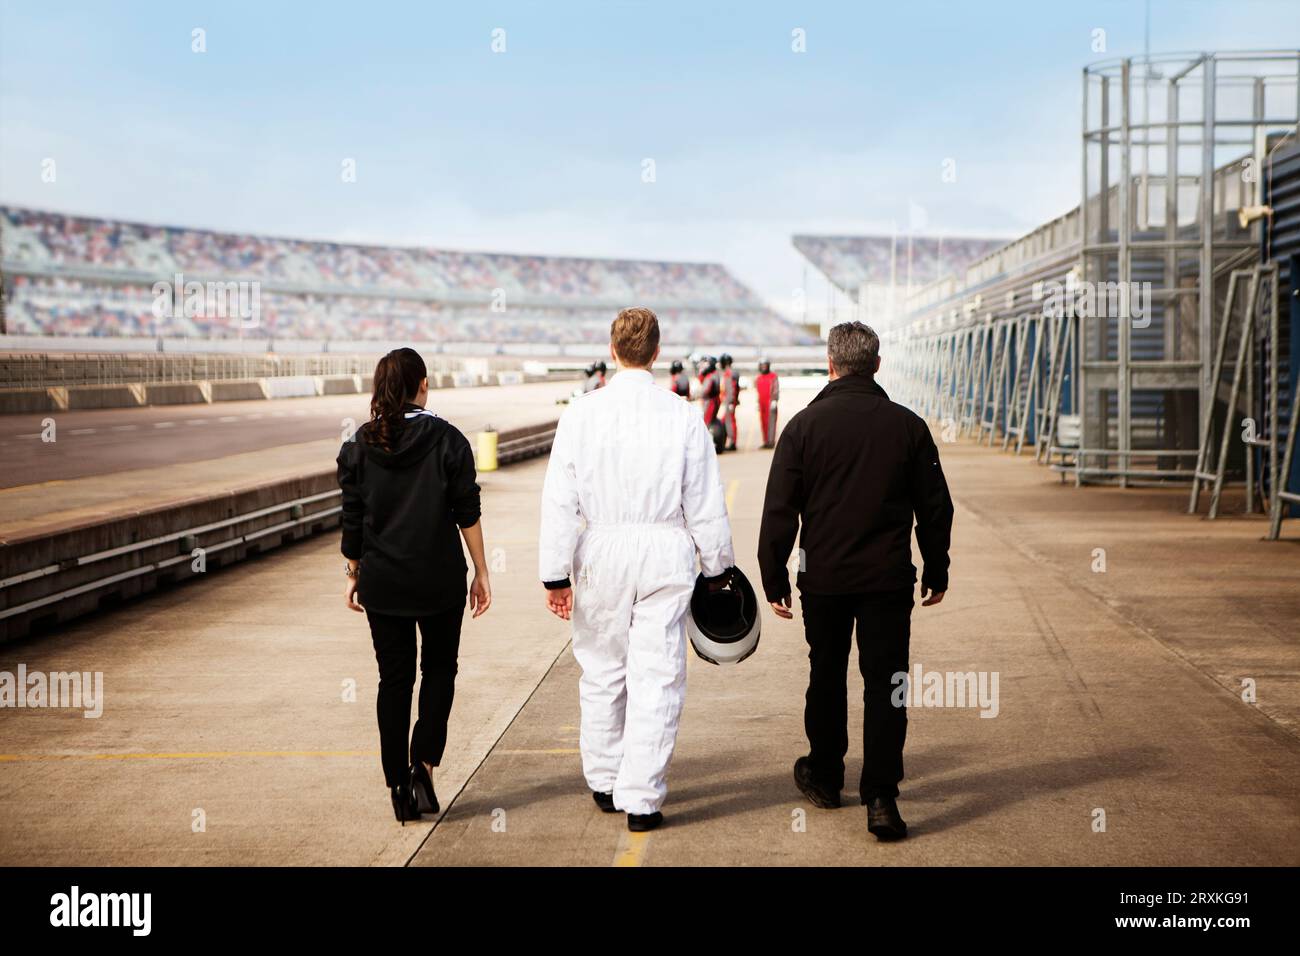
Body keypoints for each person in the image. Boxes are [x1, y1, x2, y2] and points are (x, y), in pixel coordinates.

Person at [539, 307, 735, 833]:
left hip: (600, 548)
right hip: (663, 551)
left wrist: (554, 574)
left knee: (602, 668)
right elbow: (705, 501)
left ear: (613, 350)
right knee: (658, 674)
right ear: (655, 352)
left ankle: (604, 779)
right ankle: (642, 798)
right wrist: (718, 567)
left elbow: (560, 499)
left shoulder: (581, 413)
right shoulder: (682, 415)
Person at [756, 321, 953, 842]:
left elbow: (779, 510)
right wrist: (937, 568)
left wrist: (773, 576)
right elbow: (935, 508)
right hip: (887, 579)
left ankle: (824, 776)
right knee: (887, 684)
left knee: (826, 676)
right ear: (877, 365)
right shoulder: (908, 427)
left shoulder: (802, 428)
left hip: (825, 580)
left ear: (830, 364)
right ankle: (882, 797)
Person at [337, 347, 493, 824]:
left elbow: (353, 522)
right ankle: (423, 762)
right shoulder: (449, 440)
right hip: (439, 579)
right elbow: (467, 511)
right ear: (422, 385)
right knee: (440, 671)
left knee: (394, 681)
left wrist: (353, 574)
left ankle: (397, 786)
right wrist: (482, 571)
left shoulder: (358, 447)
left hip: (384, 584)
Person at [754, 358, 779, 448]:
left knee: (771, 422)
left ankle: (771, 441)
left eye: (765, 365)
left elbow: (776, 389)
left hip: (770, 402)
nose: (763, 367)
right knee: (763, 422)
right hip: (762, 403)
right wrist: (758, 403)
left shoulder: (773, 376)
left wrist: (774, 400)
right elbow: (758, 391)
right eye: (762, 366)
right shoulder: (758, 378)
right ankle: (765, 441)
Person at [718, 353, 739, 452]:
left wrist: (730, 402)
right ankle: (728, 441)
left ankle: (732, 442)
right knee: (725, 421)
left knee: (730, 422)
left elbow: (731, 389)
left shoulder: (728, 374)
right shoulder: (731, 373)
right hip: (728, 401)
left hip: (729, 401)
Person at [697, 356, 721, 426]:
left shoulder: (711, 376)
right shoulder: (713, 374)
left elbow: (705, 391)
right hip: (711, 401)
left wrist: (697, 395)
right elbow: (701, 380)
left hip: (710, 402)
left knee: (706, 423)